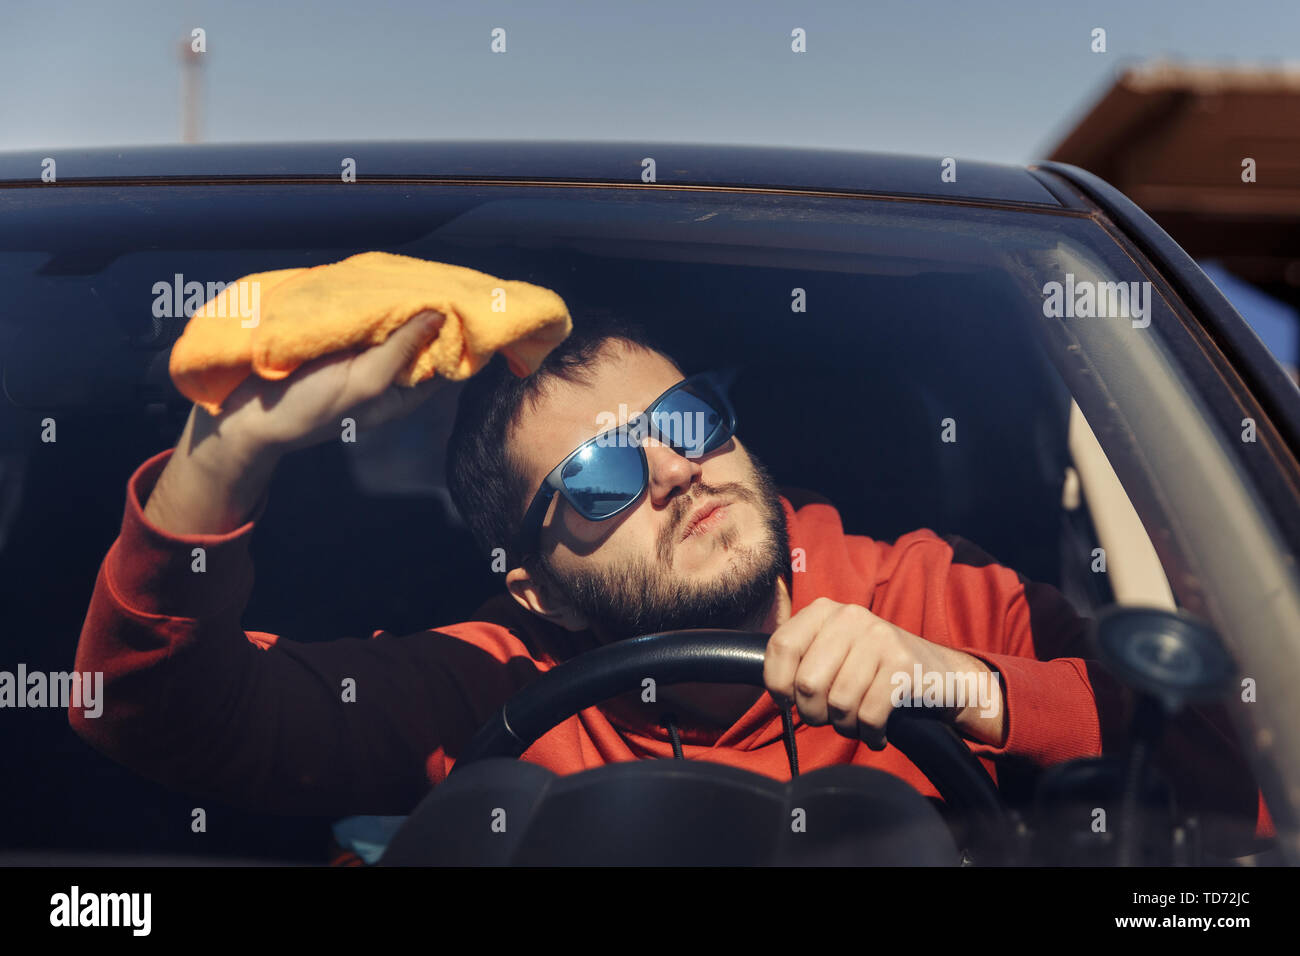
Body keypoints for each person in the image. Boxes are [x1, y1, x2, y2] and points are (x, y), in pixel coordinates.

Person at [69, 309, 1269, 853]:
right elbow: (157, 714)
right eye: (596, 480)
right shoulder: (498, 680)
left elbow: (1247, 793)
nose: (673, 470)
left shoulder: (944, 598)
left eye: (688, 418)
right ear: (536, 585)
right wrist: (225, 458)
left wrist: (965, 688)